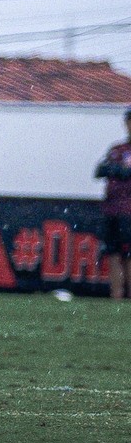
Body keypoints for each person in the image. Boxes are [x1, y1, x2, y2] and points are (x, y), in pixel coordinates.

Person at [94, 107, 131, 299]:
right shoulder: (118, 149)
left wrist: (116, 170)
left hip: (129, 210)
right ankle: (116, 294)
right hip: (112, 210)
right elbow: (99, 170)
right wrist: (115, 169)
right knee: (114, 253)